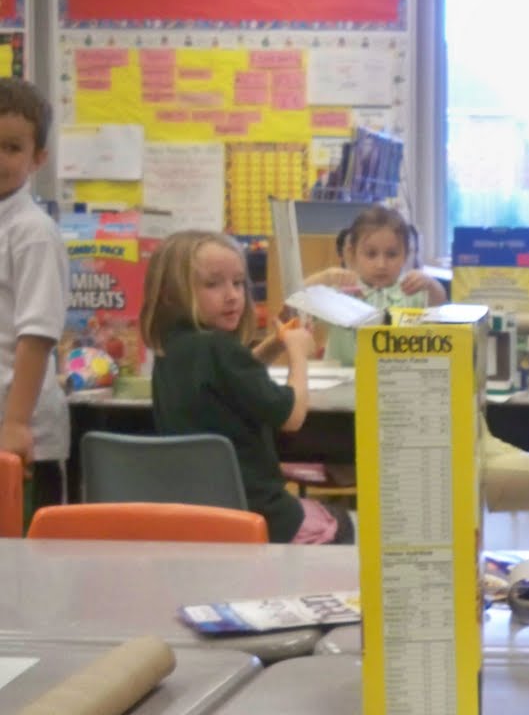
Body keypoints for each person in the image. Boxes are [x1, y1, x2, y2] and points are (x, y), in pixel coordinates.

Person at [140, 230, 353, 545]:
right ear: (172, 294)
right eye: (213, 284)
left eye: (238, 283)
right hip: (260, 516)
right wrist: (298, 355)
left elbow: (232, 377)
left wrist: (274, 345)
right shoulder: (220, 350)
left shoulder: (172, 349)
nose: (232, 295)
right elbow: (292, 417)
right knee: (341, 523)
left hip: (200, 515)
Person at [0, 79, 69, 510]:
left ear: (37, 158)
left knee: (21, 566)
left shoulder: (32, 232)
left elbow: (38, 333)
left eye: (11, 148)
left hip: (20, 437)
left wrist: (16, 422)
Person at [306, 205, 444, 366]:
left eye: (391, 254)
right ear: (352, 253)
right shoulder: (341, 291)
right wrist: (325, 277)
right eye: (371, 254)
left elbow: (439, 308)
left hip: (396, 380)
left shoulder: (411, 290)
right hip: (343, 383)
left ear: (405, 255)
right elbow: (295, 302)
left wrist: (431, 285)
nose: (381, 264)